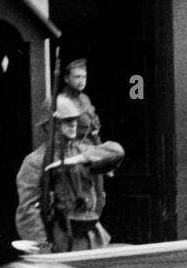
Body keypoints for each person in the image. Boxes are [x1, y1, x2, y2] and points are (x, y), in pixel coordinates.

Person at [15, 58, 125, 252]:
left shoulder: (82, 151)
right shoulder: (35, 162)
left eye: (75, 119)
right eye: (67, 121)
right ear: (50, 126)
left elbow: (116, 152)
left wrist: (80, 159)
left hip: (92, 237)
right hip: (61, 240)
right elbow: (28, 210)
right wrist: (42, 247)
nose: (74, 124)